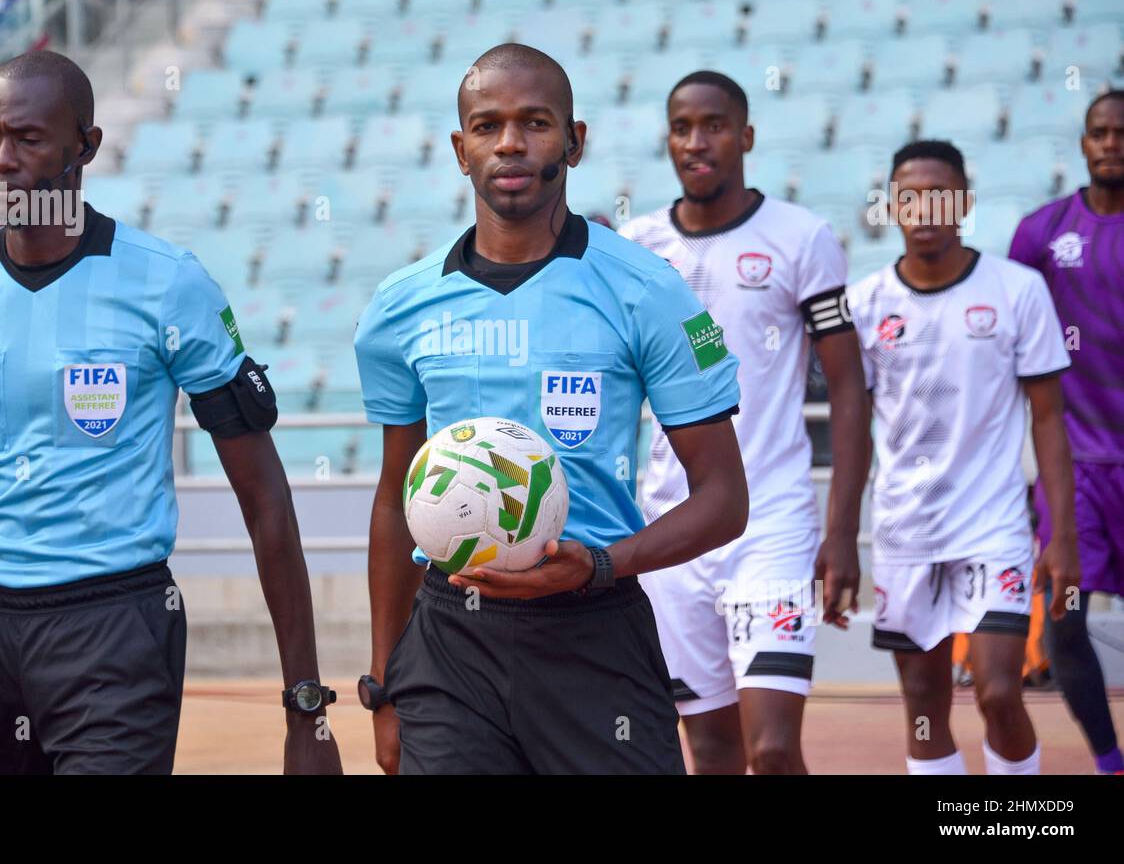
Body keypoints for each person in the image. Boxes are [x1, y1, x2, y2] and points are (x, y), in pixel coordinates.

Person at [0, 50, 341, 775]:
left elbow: (264, 499)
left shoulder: (167, 284)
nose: (0, 162)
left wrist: (306, 706)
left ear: (86, 145)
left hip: (117, 624)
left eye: (28, 138)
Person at [353, 43, 749, 775]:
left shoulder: (646, 289)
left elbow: (725, 499)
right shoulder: (400, 305)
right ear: (459, 149)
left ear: (575, 140)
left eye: (536, 122)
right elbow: (392, 496)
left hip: (595, 633)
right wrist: (384, 681)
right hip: (449, 641)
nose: (510, 142)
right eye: (486, 125)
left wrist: (599, 564)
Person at [619, 71, 870, 774]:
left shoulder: (802, 237)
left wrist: (842, 529)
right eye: (681, 127)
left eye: (715, 125)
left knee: (773, 746)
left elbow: (849, 390)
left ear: (747, 136)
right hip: (673, 530)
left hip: (772, 525)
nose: (697, 142)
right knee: (714, 748)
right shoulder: (638, 248)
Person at [847, 139, 1079, 775]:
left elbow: (1050, 419)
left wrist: (1062, 536)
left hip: (993, 527)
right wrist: (844, 533)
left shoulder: (1018, 290)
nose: (924, 209)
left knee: (999, 692)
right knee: (924, 702)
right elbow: (853, 428)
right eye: (909, 196)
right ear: (892, 206)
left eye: (939, 195)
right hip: (905, 532)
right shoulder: (866, 303)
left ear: (965, 205)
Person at [1008, 89, 1124, 775]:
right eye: (1100, 132)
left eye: (1122, 133)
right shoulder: (1041, 233)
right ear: (1083, 143)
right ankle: (1110, 763)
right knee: (1066, 619)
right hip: (1073, 468)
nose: (1112, 142)